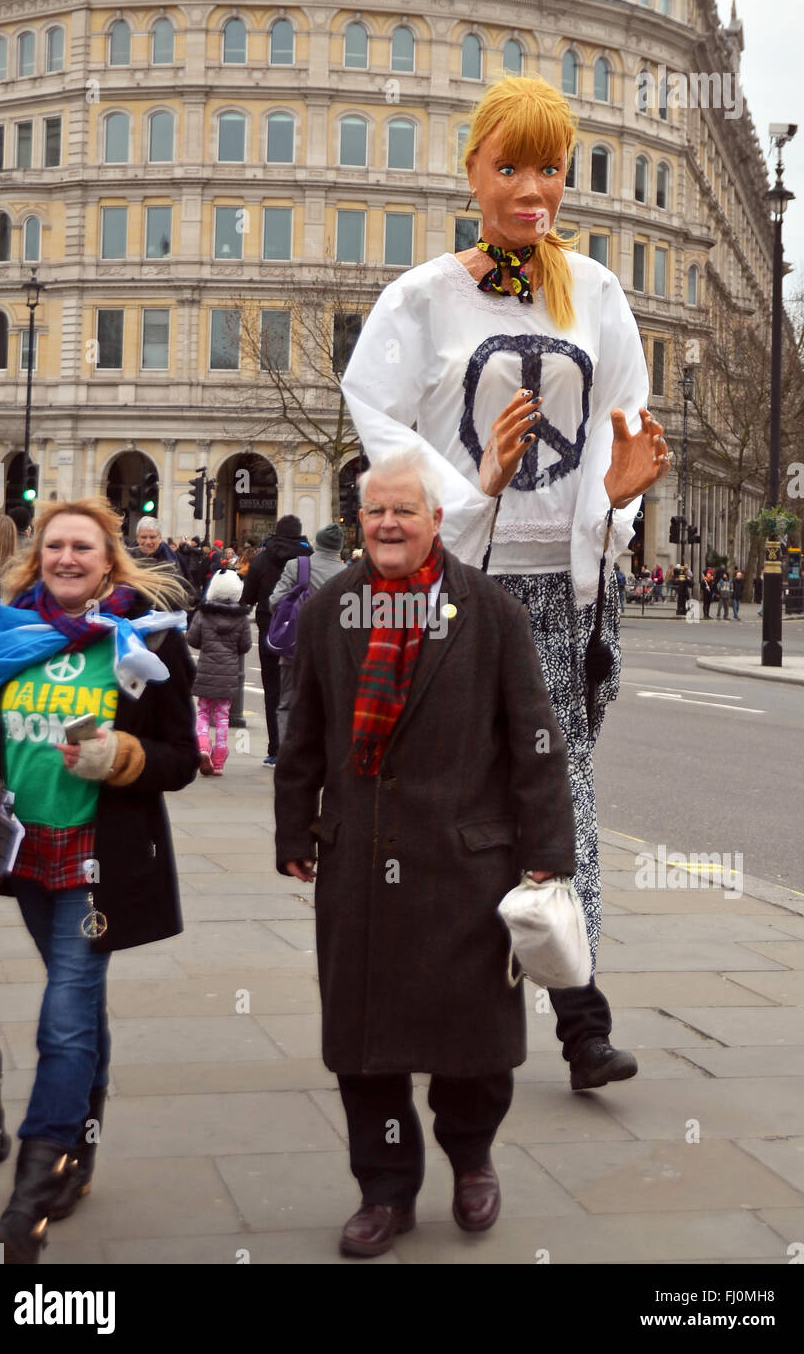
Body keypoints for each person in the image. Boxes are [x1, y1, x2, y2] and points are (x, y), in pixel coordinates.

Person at [340, 74, 671, 1090]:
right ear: (473, 172)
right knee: (444, 796)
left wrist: (617, 499)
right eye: (512, 165)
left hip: (557, 591)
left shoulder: (598, 293)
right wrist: (469, 488)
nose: (535, 188)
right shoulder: (422, 297)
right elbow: (378, 419)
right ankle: (453, 1001)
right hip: (458, 590)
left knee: (559, 788)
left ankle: (581, 1019)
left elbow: (622, 423)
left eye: (552, 168)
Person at [275, 448, 576, 1257]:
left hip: (464, 862)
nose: (387, 524)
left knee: (471, 1040)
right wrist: (292, 829)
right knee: (364, 1046)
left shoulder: (490, 612)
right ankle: (384, 1191)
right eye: (374, 510)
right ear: (357, 519)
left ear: (436, 520)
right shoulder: (327, 609)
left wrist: (546, 850)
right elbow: (300, 734)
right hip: (358, 862)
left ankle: (472, 1158)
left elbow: (536, 743)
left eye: (403, 510)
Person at [0, 497, 198, 1263]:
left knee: (62, 1016)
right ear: (38, 557)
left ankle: (26, 1205)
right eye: (56, 546)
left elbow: (179, 758)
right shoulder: (5, 639)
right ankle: (79, 1152)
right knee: (81, 1012)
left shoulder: (144, 645)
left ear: (109, 562)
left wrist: (123, 759)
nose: (68, 559)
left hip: (99, 860)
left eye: (84, 549)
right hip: (23, 858)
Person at [241, 516, 312, 766]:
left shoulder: (262, 559)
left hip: (270, 630)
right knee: (301, 692)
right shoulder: (308, 560)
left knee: (273, 690)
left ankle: (275, 749)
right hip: (303, 632)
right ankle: (299, 747)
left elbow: (247, 596)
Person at [269, 523, 345, 746]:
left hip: (296, 646)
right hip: (332, 653)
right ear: (339, 548)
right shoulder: (348, 574)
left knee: (288, 704)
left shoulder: (298, 566)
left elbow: (275, 602)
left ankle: (288, 756)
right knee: (325, 706)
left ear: (317, 543)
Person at [186, 566, 252, 776]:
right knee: (223, 717)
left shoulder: (204, 614)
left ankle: (203, 746)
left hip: (206, 669)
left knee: (203, 712)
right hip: (229, 673)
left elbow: (193, 639)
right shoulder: (241, 618)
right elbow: (246, 646)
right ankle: (219, 758)